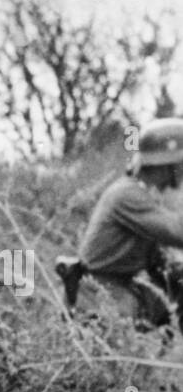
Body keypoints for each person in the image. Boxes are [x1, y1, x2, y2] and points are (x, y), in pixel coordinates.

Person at [78, 117, 183, 326]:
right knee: (126, 344)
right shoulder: (127, 195)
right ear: (166, 166)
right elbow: (178, 232)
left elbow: (158, 259)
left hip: (120, 285)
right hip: (101, 291)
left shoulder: (142, 194)